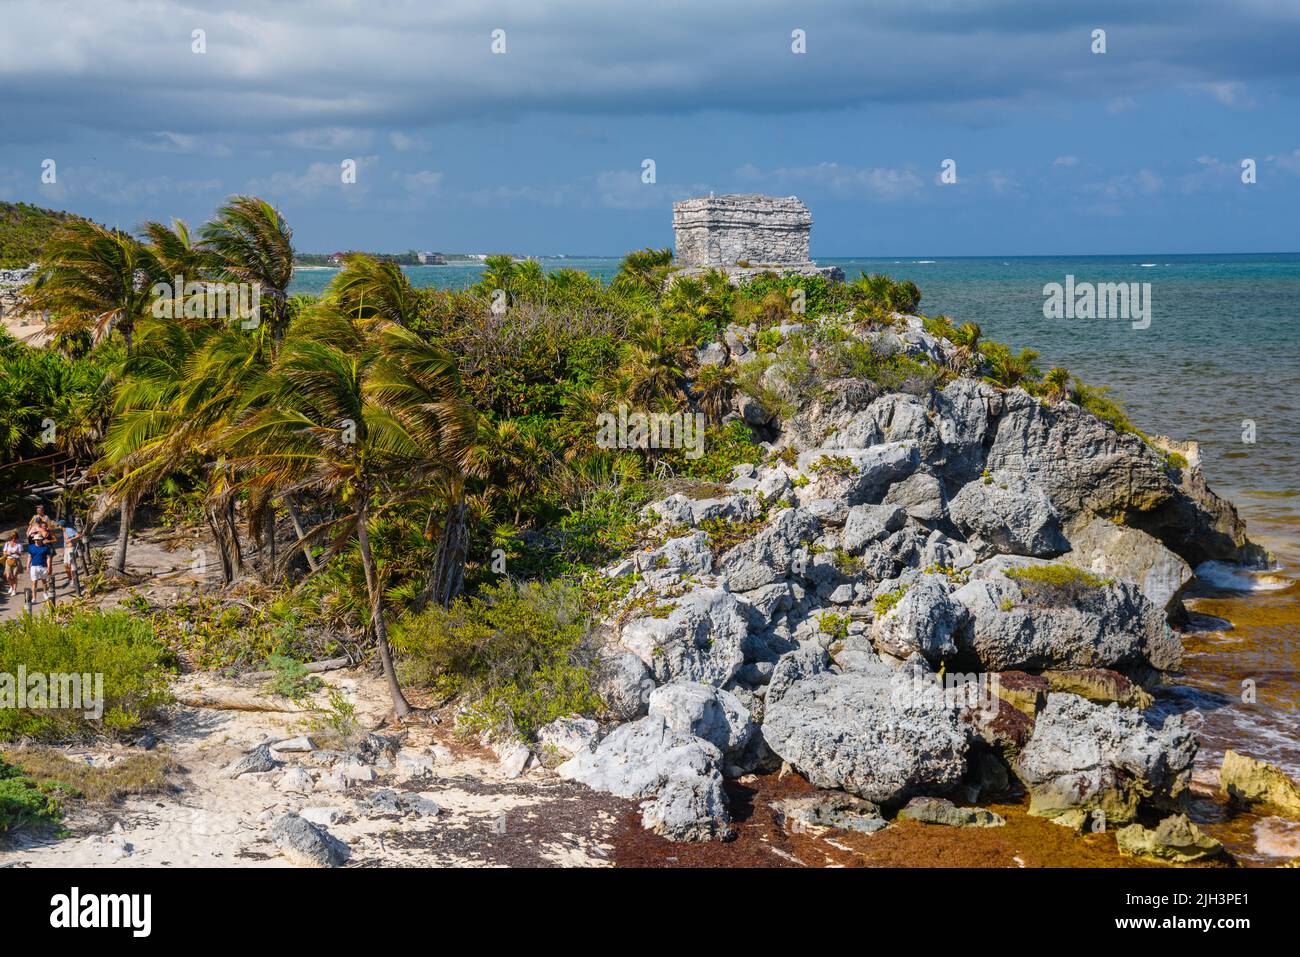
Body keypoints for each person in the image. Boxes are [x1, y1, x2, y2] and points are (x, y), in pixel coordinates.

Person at [25, 530, 54, 602]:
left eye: (38, 540)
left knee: (44, 581)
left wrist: (49, 567)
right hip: (34, 566)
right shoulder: (31, 547)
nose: (36, 541)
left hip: (43, 566)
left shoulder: (46, 547)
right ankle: (34, 598)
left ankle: (45, 593)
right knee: (34, 582)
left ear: (41, 540)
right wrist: (27, 566)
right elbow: (29, 556)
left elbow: (48, 558)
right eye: (35, 540)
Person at [59, 519, 81, 585]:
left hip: (71, 548)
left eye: (59, 525)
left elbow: (78, 535)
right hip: (66, 549)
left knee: (70, 564)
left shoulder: (69, 530)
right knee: (65, 565)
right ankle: (69, 579)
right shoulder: (64, 531)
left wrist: (71, 539)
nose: (58, 526)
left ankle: (73, 580)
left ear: (61, 525)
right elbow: (65, 541)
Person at [2, 532, 21, 596]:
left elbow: (20, 554)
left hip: (16, 560)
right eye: (12, 538)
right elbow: (4, 553)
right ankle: (11, 586)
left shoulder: (19, 545)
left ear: (16, 538)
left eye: (15, 538)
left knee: (14, 576)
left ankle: (14, 590)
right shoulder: (7, 544)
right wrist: (8, 553)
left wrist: (16, 552)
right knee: (8, 576)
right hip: (8, 560)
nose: (13, 539)